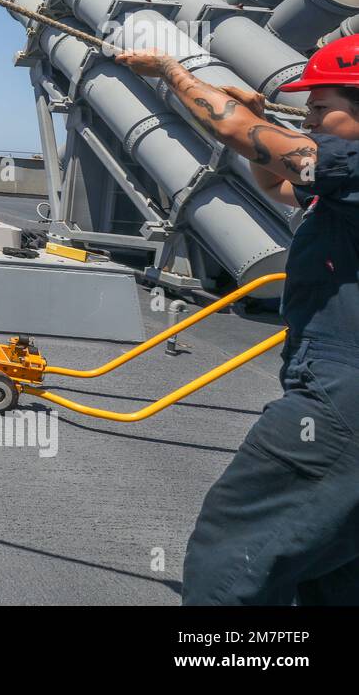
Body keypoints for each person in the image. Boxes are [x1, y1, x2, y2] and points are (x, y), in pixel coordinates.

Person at [115, 35, 359, 605]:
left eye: (323, 107)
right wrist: (255, 117)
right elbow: (275, 177)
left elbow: (231, 132)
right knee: (329, 567)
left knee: (235, 550)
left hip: (342, 400)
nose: (312, 119)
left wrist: (170, 71)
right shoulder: (342, 177)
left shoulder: (349, 163)